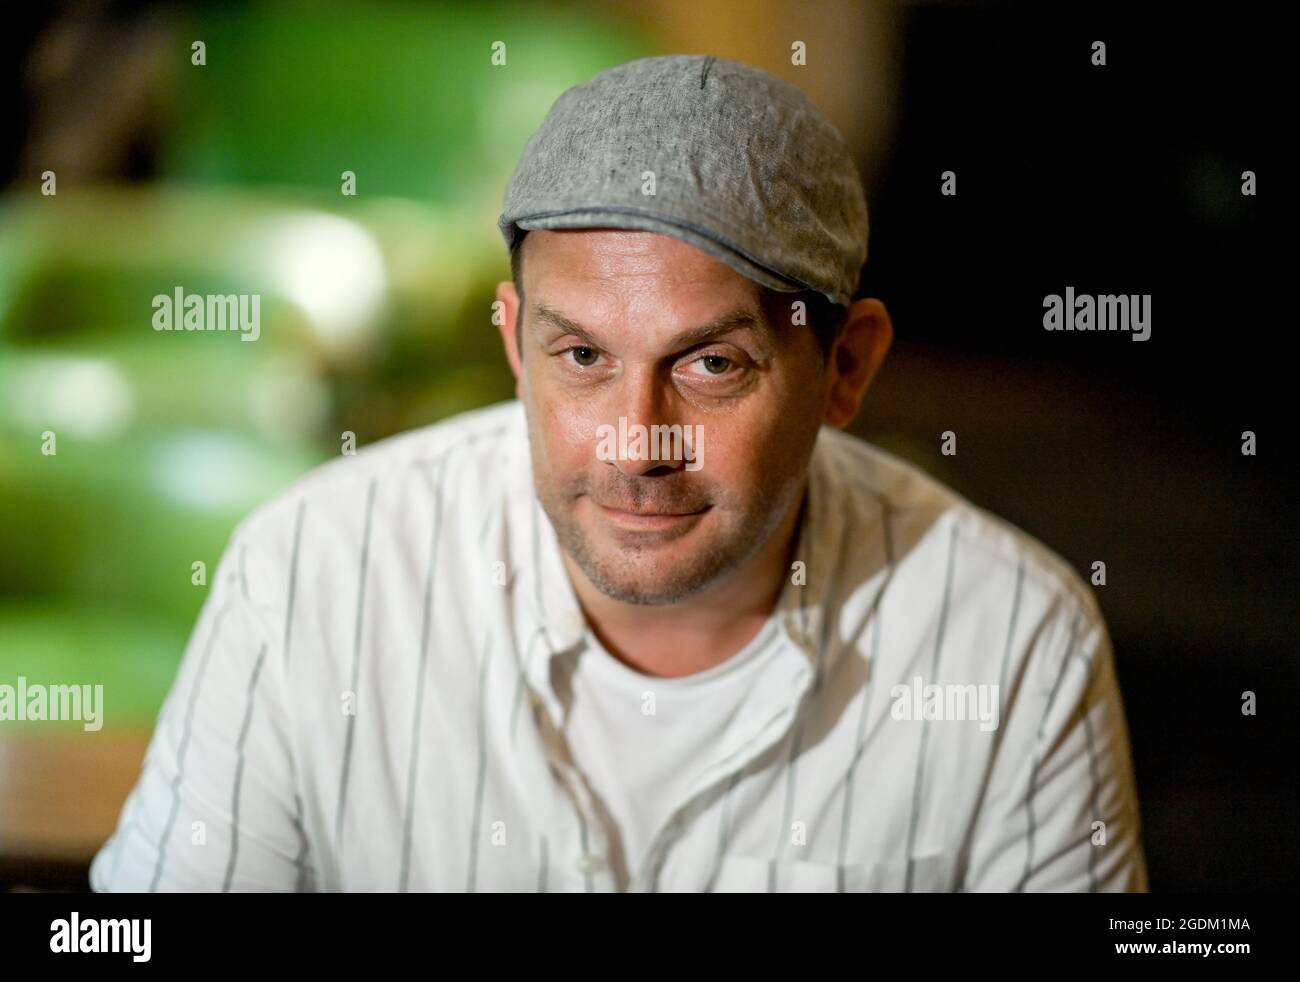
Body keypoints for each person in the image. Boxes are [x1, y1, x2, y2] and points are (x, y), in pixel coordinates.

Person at [90, 54, 1147, 892]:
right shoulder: (307, 575)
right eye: (583, 357)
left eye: (711, 363)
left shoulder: (1014, 643)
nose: (634, 444)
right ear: (513, 344)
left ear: (846, 366)